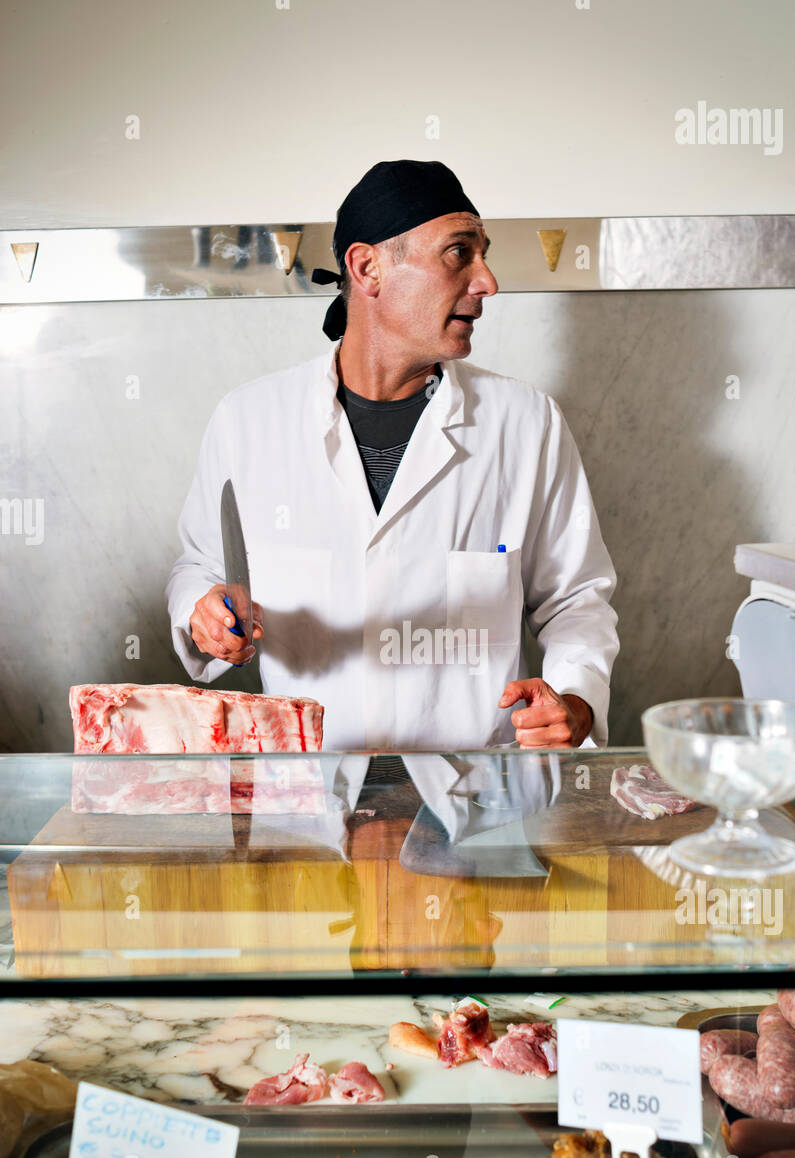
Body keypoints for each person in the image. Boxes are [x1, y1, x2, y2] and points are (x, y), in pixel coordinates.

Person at [166, 159, 619, 752]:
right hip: (312, 801)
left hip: (474, 804)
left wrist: (576, 702)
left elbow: (576, 600)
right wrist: (204, 612)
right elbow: (199, 566)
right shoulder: (248, 421)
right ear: (368, 267)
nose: (488, 281)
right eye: (460, 253)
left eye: (484, 254)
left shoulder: (525, 424)